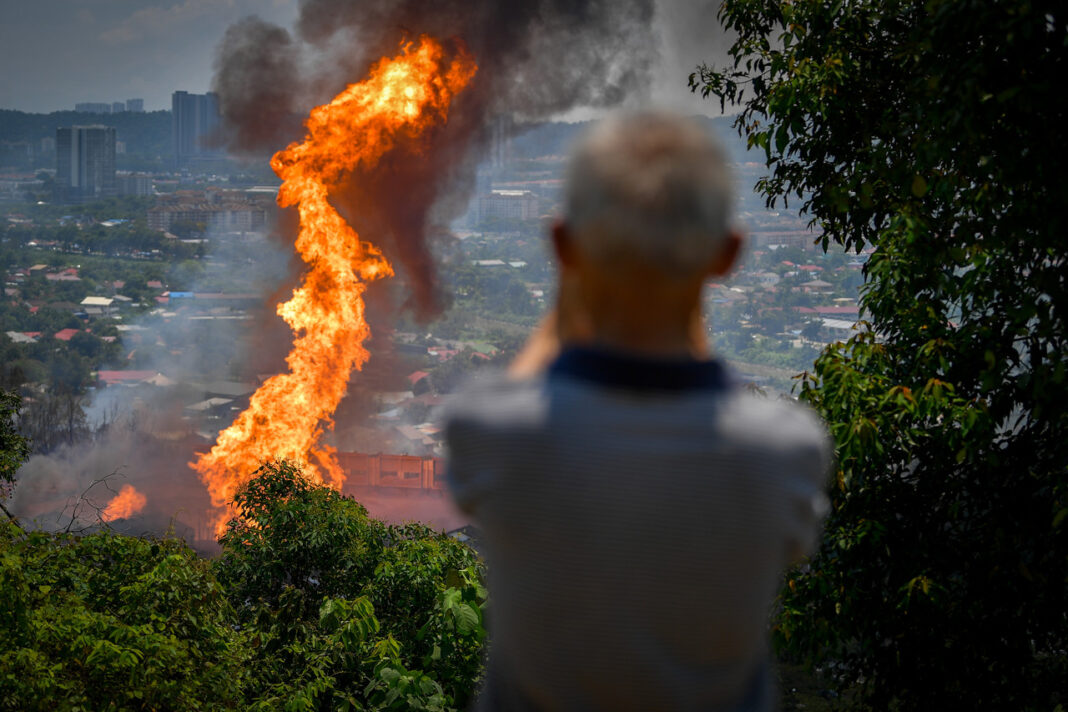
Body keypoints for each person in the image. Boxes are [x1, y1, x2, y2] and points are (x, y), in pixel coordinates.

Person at [443, 112, 832, 711]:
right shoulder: (781, 450)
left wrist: (571, 296)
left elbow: (520, 398)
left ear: (562, 247)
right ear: (728, 254)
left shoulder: (495, 430)